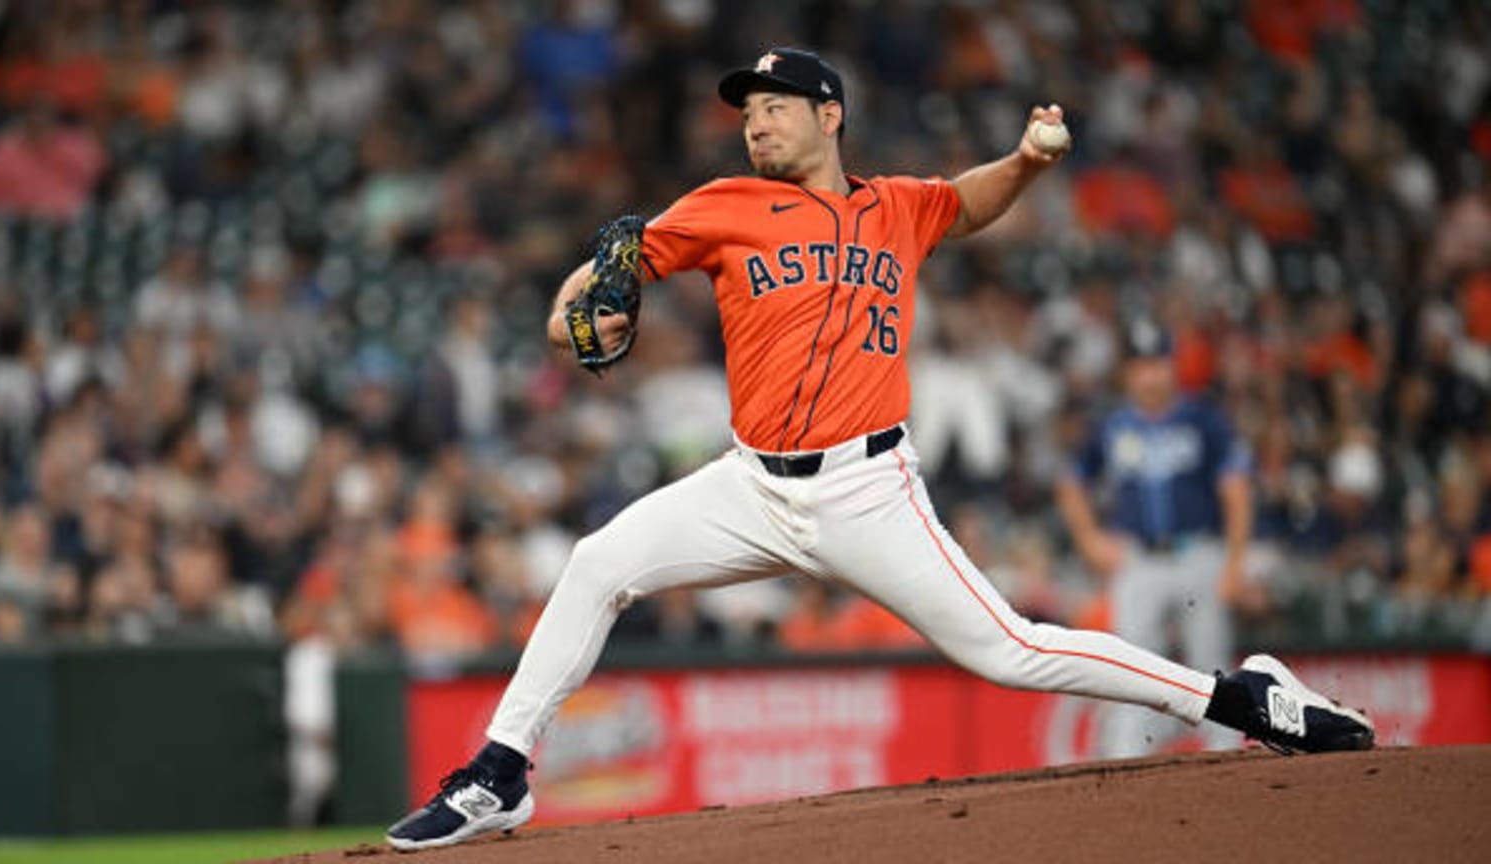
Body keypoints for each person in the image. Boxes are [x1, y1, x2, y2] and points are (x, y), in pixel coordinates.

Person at [386, 47, 1374, 851]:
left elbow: (967, 200)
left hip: (866, 489)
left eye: (774, 105)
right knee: (598, 562)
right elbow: (609, 272)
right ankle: (501, 772)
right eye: (746, 110)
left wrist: (1028, 162)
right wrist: (568, 319)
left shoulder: (897, 206)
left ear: (830, 116)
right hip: (748, 485)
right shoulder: (722, 203)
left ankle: (1243, 699)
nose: (755, 122)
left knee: (1012, 650)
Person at [1055, 319, 1257, 758]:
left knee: (1214, 668)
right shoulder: (1112, 424)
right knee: (1131, 668)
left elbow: (1236, 489)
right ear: (1128, 372)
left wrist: (1236, 564)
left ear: (1172, 366)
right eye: (1141, 365)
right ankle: (1126, 765)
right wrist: (1089, 538)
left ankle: (1227, 761)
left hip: (1201, 554)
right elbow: (1071, 481)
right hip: (1140, 561)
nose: (1150, 374)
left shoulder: (1203, 418)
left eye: (1158, 363)